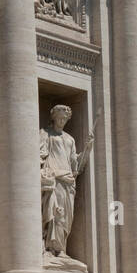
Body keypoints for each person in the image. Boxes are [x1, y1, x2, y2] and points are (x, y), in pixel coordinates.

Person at [40, 104, 93, 257]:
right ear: (53, 117)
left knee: (66, 217)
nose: (62, 121)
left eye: (65, 118)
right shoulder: (45, 134)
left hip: (68, 182)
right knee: (54, 212)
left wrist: (88, 149)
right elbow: (38, 154)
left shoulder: (70, 139)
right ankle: (50, 247)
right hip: (55, 178)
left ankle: (61, 249)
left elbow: (76, 165)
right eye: (59, 117)